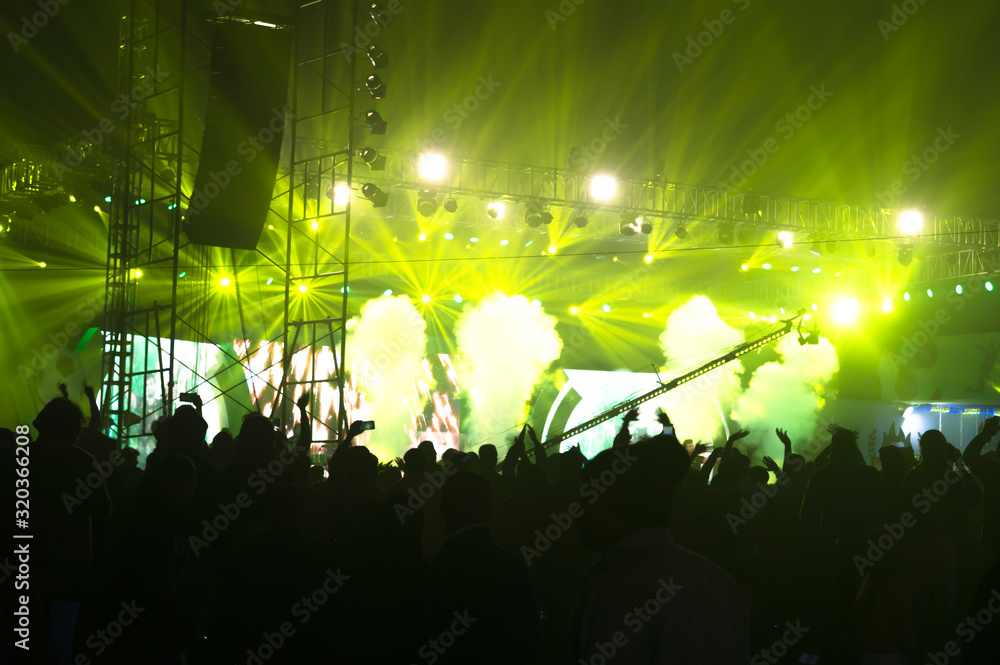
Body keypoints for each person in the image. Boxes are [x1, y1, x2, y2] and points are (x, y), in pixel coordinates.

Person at [570, 434, 751, 664]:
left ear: (621, 500)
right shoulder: (723, 584)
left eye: (588, 496)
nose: (577, 509)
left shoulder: (614, 584)